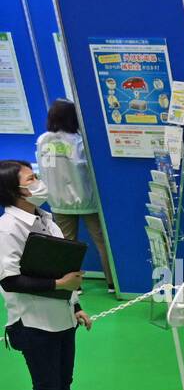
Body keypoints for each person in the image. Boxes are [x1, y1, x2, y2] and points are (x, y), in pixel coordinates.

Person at [0, 160, 101, 390]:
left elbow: (61, 267)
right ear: (15, 190)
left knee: (64, 381)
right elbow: (9, 280)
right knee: (46, 387)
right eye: (32, 178)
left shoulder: (47, 220)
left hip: (62, 319)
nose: (39, 182)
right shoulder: (7, 229)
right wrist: (58, 284)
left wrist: (76, 306)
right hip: (33, 324)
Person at [36, 99, 114, 292]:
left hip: (58, 200)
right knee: (101, 242)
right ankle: (113, 283)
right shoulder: (79, 141)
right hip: (86, 199)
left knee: (67, 245)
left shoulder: (43, 140)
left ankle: (73, 285)